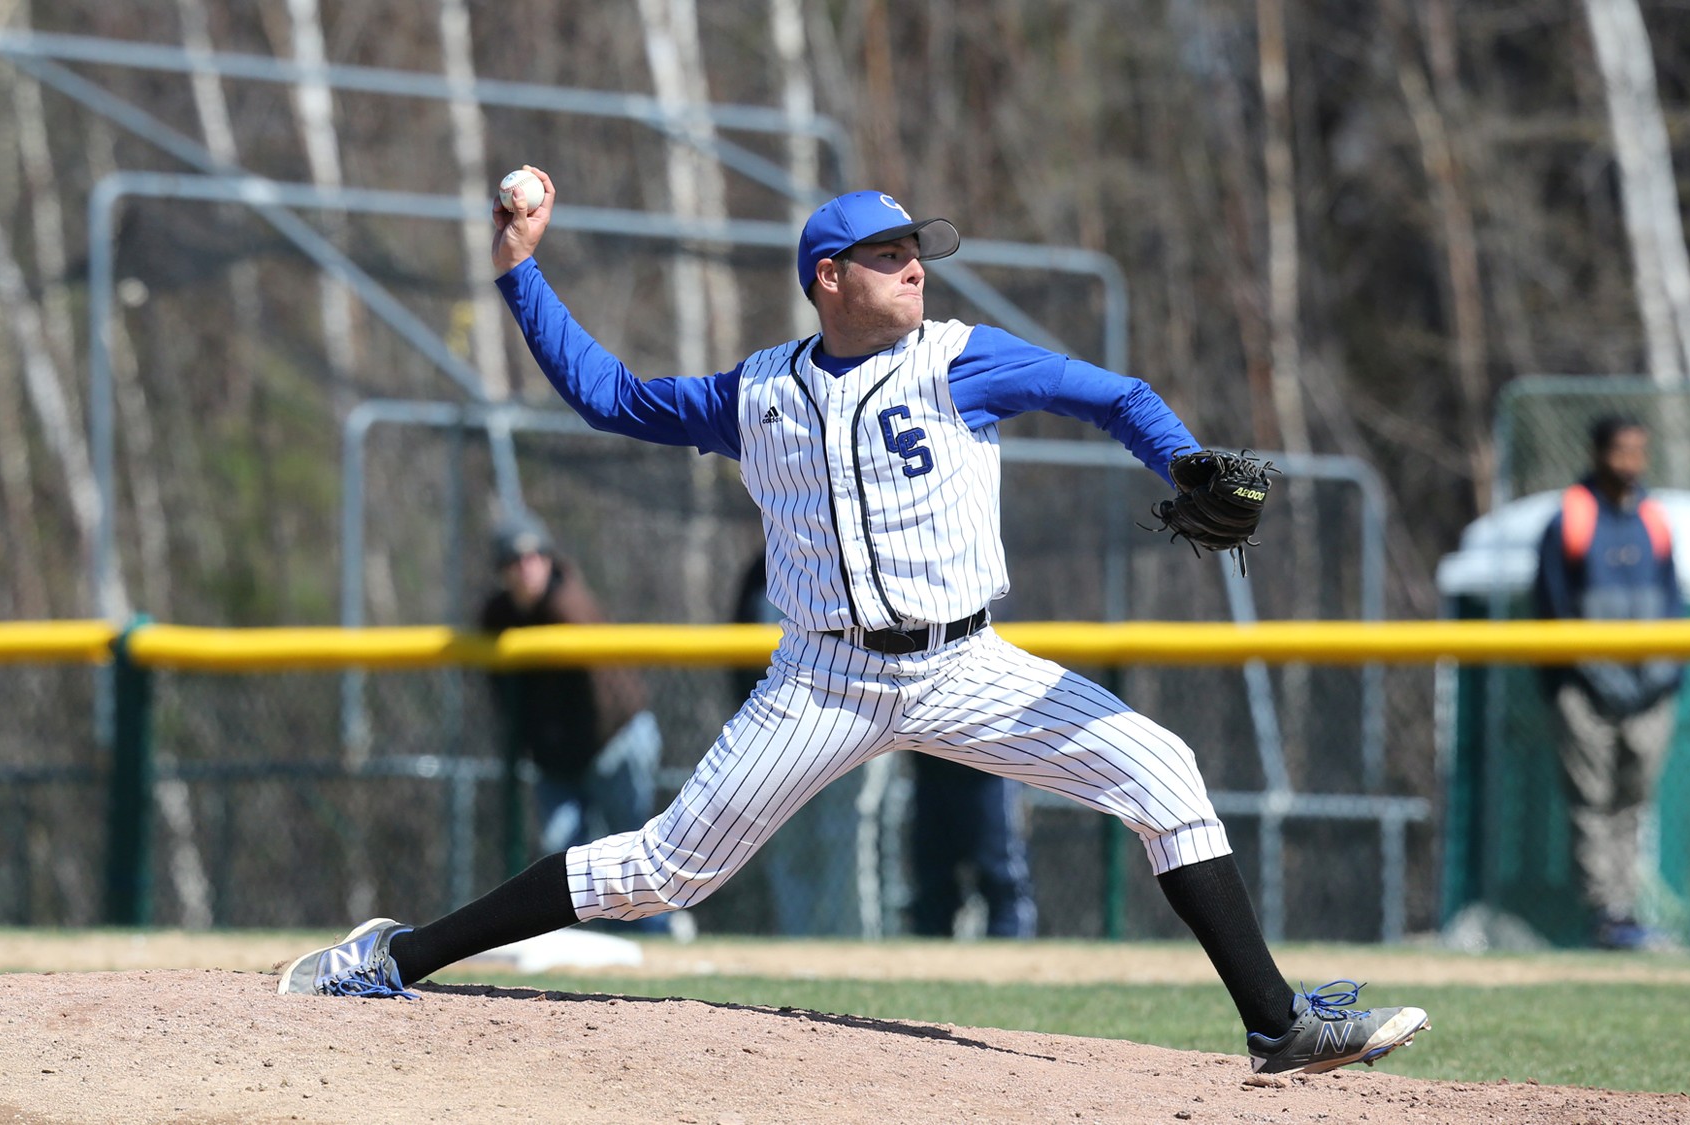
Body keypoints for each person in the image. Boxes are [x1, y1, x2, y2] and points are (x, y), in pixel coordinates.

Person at [280, 175, 1429, 1075]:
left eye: (916, 250)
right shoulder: (758, 392)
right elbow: (611, 397)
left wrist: (1180, 457)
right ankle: (394, 955)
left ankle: (1276, 1026)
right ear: (829, 277)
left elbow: (1112, 397)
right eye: (888, 255)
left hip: (966, 663)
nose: (913, 266)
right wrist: (520, 274)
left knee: (1161, 772)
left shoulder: (960, 362)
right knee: (661, 871)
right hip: (820, 681)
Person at [1531, 416, 1682, 950]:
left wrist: (1660, 675)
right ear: (1598, 453)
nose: (1630, 462)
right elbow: (1554, 612)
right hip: (1587, 689)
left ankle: (1627, 907)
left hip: (1649, 690)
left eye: (1638, 451)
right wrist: (1601, 676)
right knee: (1592, 802)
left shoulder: (1655, 519)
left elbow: (1673, 604)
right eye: (1620, 451)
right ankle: (1607, 912)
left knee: (1633, 802)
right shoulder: (1570, 519)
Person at [479, 511, 668, 935]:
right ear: (503, 571)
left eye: (533, 557)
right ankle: (583, 942)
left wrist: (561, 757)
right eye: (515, 561)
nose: (526, 568)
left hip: (616, 741)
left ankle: (658, 936)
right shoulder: (498, 616)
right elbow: (502, 695)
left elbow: (599, 705)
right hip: (560, 754)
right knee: (560, 852)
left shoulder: (568, 606)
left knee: (636, 852)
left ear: (547, 559)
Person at [732, 551, 864, 937]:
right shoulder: (761, 568)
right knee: (789, 844)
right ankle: (798, 943)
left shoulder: (851, 558)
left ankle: (855, 946)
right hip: (781, 727)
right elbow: (738, 660)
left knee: (846, 840)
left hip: (854, 720)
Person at [907, 753, 1038, 939]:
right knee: (932, 885)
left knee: (1003, 880)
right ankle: (925, 963)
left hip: (990, 766)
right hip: (931, 765)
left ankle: (1011, 958)